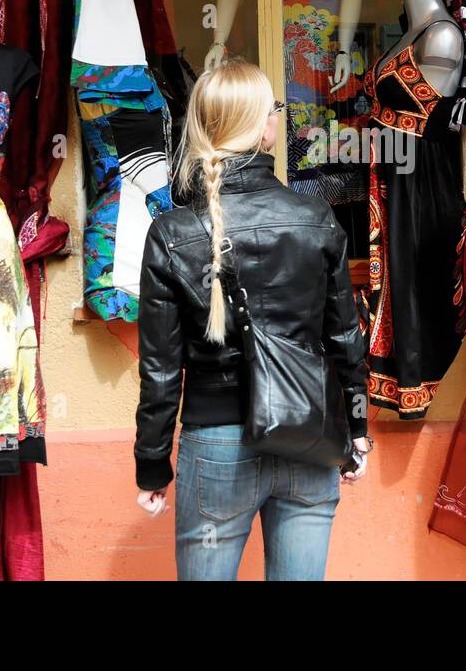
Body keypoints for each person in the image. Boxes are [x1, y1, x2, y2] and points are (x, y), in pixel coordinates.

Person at [133, 59, 372, 581]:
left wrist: (152, 463)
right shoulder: (316, 218)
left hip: (218, 445)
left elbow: (160, 370)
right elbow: (344, 340)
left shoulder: (173, 233)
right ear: (266, 126)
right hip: (309, 435)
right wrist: (357, 431)